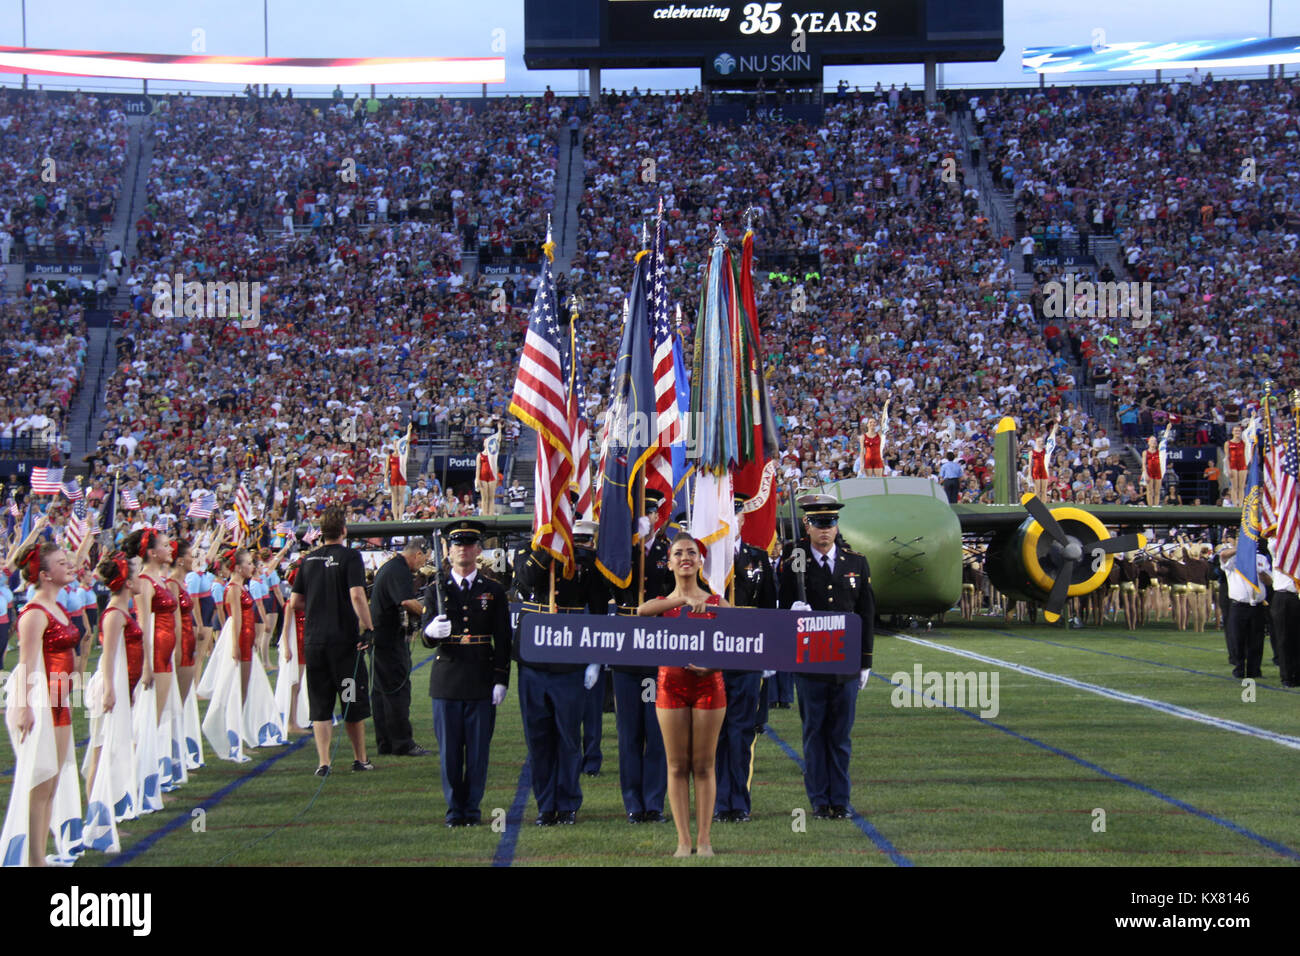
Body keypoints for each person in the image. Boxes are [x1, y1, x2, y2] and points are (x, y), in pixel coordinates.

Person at [778, 495, 875, 820]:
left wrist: (865, 661)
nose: (824, 530)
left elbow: (866, 612)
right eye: (818, 523)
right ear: (808, 525)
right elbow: (779, 608)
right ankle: (820, 800)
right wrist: (792, 611)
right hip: (810, 663)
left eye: (829, 523)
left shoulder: (855, 562)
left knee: (840, 737)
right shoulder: (794, 560)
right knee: (814, 735)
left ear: (836, 526)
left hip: (845, 663)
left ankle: (841, 800)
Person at [638, 533, 731, 858]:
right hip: (670, 686)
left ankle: (704, 839)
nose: (685, 557)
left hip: (709, 686)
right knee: (676, 765)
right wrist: (681, 601)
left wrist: (713, 664)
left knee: (704, 765)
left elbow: (737, 645)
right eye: (678, 553)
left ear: (700, 559)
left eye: (691, 552)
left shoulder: (718, 601)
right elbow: (642, 611)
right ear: (670, 561)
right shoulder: (664, 604)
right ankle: (683, 840)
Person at [512, 519, 607, 825]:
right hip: (533, 660)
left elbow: (598, 609)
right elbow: (526, 580)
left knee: (568, 737)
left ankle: (567, 803)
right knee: (538, 739)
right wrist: (547, 549)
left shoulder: (586, 560)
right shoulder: (525, 554)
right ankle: (545, 804)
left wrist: (595, 658)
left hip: (571, 658)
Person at [422, 519, 511, 826]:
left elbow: (503, 640)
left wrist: (501, 679)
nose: (464, 549)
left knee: (476, 754)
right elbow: (424, 637)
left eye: (470, 544)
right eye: (458, 544)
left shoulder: (493, 591)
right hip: (447, 680)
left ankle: (471, 809)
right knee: (449, 754)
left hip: (480, 679)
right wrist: (432, 632)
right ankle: (454, 810)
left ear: (478, 550)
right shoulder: (436, 589)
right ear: (448, 550)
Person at [1, 542, 81, 866]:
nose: (70, 565)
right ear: (45, 575)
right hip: (41, 702)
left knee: (53, 783)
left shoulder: (58, 606)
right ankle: (34, 860)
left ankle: (41, 855)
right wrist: (22, 707)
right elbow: (25, 664)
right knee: (39, 783)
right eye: (63, 563)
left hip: (61, 701)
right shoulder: (34, 613)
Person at [289, 506, 375, 776]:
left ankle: (323, 762)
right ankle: (359, 758)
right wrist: (369, 627)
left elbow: (295, 602)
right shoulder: (350, 557)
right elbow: (357, 595)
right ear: (344, 530)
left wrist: (318, 604)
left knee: (320, 702)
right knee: (350, 699)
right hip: (343, 643)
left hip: (315, 642)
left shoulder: (308, 560)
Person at [609, 488, 672, 824]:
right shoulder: (621, 553)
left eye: (650, 512)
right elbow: (613, 586)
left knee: (657, 734)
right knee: (629, 733)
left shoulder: (668, 551)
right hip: (626, 652)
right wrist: (632, 548)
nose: (645, 518)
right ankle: (633, 803)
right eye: (640, 514)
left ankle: (654, 802)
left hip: (659, 651)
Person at [714, 494, 776, 824]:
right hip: (713, 657)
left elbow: (768, 608)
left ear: (742, 520)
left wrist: (768, 653)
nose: (731, 520)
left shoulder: (759, 558)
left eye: (735, 515)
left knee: (742, 732)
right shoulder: (707, 557)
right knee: (716, 733)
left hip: (748, 655)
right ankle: (719, 801)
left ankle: (739, 800)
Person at [369, 538, 432, 757]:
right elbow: (406, 601)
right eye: (425, 559)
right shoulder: (399, 570)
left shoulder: (390, 566)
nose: (423, 564)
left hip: (379, 638)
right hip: (389, 640)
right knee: (398, 689)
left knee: (381, 692)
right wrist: (428, 614)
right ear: (418, 554)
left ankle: (385, 742)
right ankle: (403, 743)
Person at [1219, 538, 1269, 679]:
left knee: (1257, 640)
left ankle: (1255, 670)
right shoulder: (1233, 559)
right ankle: (1239, 669)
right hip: (1239, 605)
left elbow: (1269, 581)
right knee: (1238, 639)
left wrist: (1261, 573)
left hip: (1257, 605)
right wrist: (1241, 549)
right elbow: (1222, 556)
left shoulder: (1261, 558)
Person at [1225, 424, 1248, 509]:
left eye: (1239, 431)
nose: (1237, 432)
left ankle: (1241, 504)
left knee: (1241, 487)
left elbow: (1248, 453)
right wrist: (1228, 469)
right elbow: (1227, 457)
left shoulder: (1244, 443)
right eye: (1235, 431)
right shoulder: (1228, 443)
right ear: (1232, 432)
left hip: (1242, 464)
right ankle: (1235, 505)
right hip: (1233, 465)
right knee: (1234, 487)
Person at [1143, 434, 1163, 507]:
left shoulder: (1159, 452)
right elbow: (1143, 464)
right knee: (1150, 491)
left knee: (1157, 491)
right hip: (1149, 472)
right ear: (1148, 442)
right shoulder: (1145, 452)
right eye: (1152, 441)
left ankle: (1156, 506)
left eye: (1155, 441)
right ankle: (1150, 506)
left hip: (1158, 472)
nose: (1154, 442)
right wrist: (1145, 474)